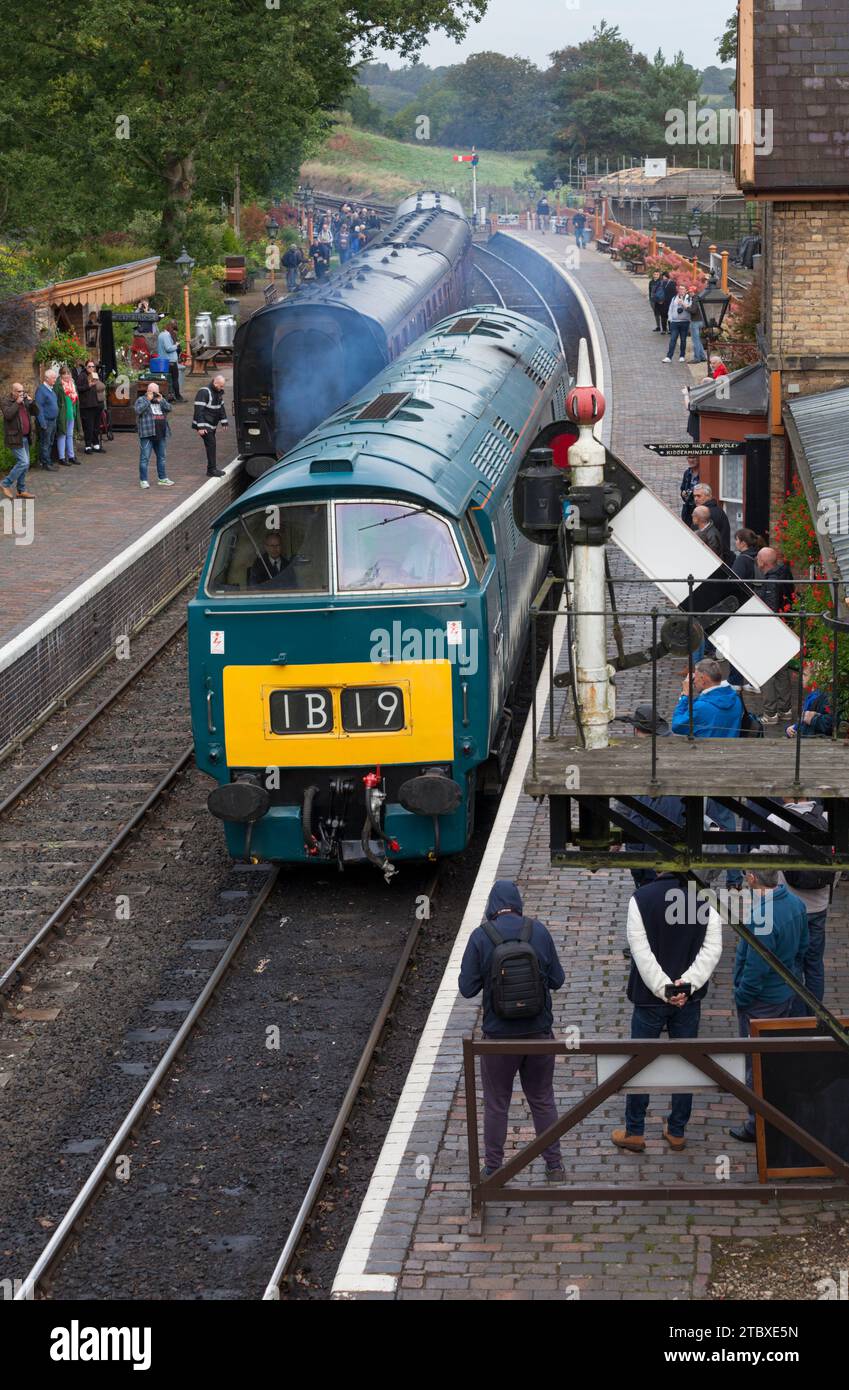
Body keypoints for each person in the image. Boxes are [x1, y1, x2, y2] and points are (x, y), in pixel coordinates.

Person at [458, 880, 566, 1182]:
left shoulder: (481, 937)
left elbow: (467, 989)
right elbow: (557, 980)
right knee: (543, 1098)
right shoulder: (539, 932)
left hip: (498, 1041)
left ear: (492, 906)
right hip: (539, 1036)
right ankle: (554, 1165)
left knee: (496, 1103)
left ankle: (493, 1168)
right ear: (518, 903)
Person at [612, 870, 723, 1152]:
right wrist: (686, 987)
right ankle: (676, 1130)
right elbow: (712, 949)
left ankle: (635, 1131)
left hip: (649, 999)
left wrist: (664, 989)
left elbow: (641, 951)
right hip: (689, 1001)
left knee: (640, 1063)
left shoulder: (641, 898)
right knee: (687, 1063)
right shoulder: (705, 899)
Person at [730, 862, 808, 1142]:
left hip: (761, 1002)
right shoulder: (797, 905)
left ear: (752, 878)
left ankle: (758, 1124)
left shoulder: (762, 918)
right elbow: (803, 948)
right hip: (785, 994)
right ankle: (781, 1113)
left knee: (756, 1065)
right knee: (777, 1058)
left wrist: (741, 996)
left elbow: (754, 970)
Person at [671, 658, 744, 887]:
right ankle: (734, 877)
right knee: (727, 821)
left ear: (703, 678)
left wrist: (684, 696)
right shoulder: (734, 699)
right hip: (727, 768)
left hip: (702, 772)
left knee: (698, 820)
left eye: (695, 676)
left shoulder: (702, 707)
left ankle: (701, 873)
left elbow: (677, 725)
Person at [765, 796, 831, 1010]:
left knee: (792, 964)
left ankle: (795, 1018)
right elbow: (837, 862)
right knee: (814, 964)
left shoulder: (777, 819)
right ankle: (815, 1016)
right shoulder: (828, 818)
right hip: (819, 905)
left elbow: (765, 861)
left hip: (789, 906)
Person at [755, 546, 795, 724]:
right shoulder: (784, 573)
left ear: (762, 562)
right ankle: (785, 709)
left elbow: (770, 609)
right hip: (785, 627)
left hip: (772, 630)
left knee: (766, 670)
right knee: (782, 670)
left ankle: (770, 713)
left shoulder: (771, 580)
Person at [134, 380, 174, 489]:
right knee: (144, 458)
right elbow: (137, 410)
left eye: (156, 392)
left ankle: (162, 478)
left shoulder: (160, 400)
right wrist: (148, 399)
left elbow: (170, 408)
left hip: (161, 434)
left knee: (161, 457)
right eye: (152, 392)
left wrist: (162, 400)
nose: (154, 394)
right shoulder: (141, 400)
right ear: (147, 391)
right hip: (147, 434)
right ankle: (143, 480)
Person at [1, 382, 37, 499]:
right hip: (15, 437)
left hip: (25, 437)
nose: (22, 394)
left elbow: (36, 412)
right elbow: (8, 415)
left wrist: (32, 402)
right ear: (14, 392)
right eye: (20, 391)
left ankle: (21, 490)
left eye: (23, 391)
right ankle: (5, 483)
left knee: (25, 465)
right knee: (24, 462)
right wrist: (17, 403)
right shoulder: (6, 401)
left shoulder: (25, 401)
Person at [191, 373, 229, 478]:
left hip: (212, 423)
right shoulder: (204, 392)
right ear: (215, 382)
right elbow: (199, 410)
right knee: (211, 445)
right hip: (205, 424)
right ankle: (211, 470)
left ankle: (211, 469)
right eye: (220, 385)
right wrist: (201, 427)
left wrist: (224, 421)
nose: (222, 388)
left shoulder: (218, 392)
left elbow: (221, 408)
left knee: (211, 445)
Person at [785, 660, 834, 739]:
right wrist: (792, 728)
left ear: (815, 677)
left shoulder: (824, 696)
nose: (801, 677)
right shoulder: (813, 695)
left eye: (804, 675)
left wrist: (813, 719)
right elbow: (805, 721)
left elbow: (831, 724)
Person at [692, 483, 732, 563]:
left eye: (699, 496)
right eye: (694, 496)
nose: (696, 499)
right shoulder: (717, 510)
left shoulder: (706, 514)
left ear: (708, 496)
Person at [76, 359, 106, 454]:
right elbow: (79, 388)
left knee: (96, 426)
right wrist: (88, 385)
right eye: (89, 366)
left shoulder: (95, 374)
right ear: (86, 367)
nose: (92, 368)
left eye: (93, 366)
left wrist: (98, 383)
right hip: (87, 406)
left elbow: (100, 387)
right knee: (88, 427)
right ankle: (88, 446)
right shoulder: (82, 376)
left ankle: (96, 444)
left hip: (96, 405)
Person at [34, 368, 59, 471]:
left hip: (53, 421)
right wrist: (42, 423)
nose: (55, 380)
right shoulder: (41, 390)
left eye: (55, 378)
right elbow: (38, 408)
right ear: (47, 378)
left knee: (50, 442)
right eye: (53, 378)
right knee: (46, 443)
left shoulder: (50, 389)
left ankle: (47, 461)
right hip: (46, 421)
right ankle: (46, 463)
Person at [55, 368, 80, 465]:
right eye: (64, 374)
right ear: (60, 375)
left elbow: (76, 400)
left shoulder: (73, 385)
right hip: (63, 414)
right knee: (62, 435)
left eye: (68, 373)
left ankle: (71, 456)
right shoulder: (58, 386)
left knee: (70, 435)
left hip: (71, 414)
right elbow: (56, 401)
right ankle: (61, 457)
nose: (66, 376)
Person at [663, 285, 692, 363]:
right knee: (673, 339)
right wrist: (670, 319)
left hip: (684, 322)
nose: (681, 290)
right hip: (675, 322)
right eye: (679, 289)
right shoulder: (674, 298)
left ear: (686, 290)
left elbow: (690, 309)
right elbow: (670, 309)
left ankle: (682, 356)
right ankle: (669, 357)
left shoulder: (689, 298)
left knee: (683, 339)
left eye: (683, 289)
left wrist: (682, 303)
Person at [157, 320, 184, 402]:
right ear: (171, 328)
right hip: (170, 361)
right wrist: (176, 345)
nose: (175, 333)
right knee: (174, 380)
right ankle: (178, 397)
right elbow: (168, 348)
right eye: (174, 330)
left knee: (168, 380)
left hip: (164, 361)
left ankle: (170, 397)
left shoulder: (162, 334)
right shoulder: (166, 335)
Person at [679, 457, 702, 525]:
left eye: (694, 457)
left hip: (699, 510)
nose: (691, 460)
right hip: (688, 510)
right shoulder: (687, 473)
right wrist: (683, 494)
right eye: (689, 457)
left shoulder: (703, 472)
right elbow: (682, 488)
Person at [688, 287, 707, 362]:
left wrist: (686, 307)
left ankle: (696, 358)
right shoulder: (699, 298)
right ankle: (702, 357)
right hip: (700, 321)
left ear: (694, 292)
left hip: (695, 321)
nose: (689, 293)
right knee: (698, 340)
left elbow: (693, 311)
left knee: (695, 340)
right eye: (689, 292)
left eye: (691, 292)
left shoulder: (695, 299)